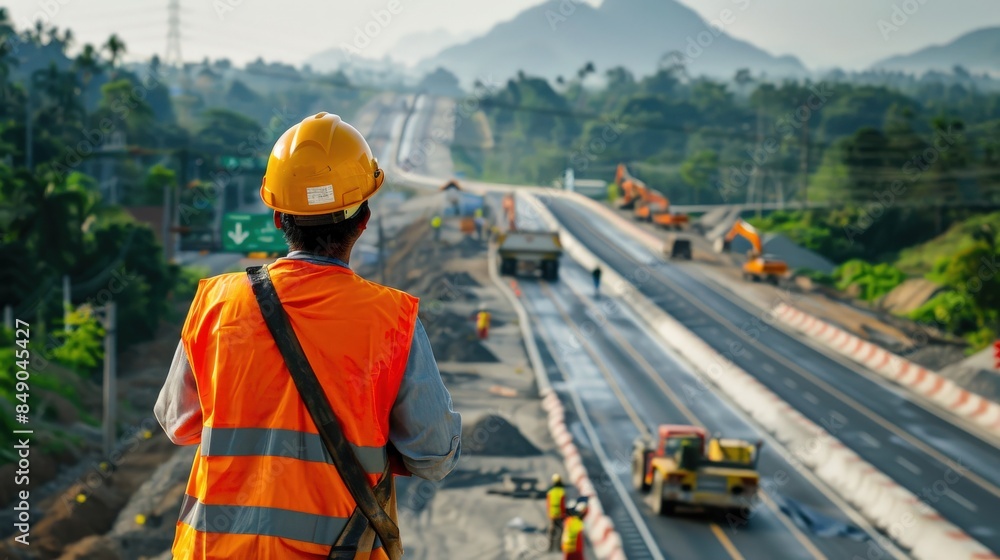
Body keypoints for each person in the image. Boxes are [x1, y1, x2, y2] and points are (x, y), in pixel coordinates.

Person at [154, 112, 461, 560]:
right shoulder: (392, 320)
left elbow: (178, 423)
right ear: (364, 219)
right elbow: (433, 457)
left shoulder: (215, 303)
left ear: (279, 217)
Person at [545, 473, 567, 552]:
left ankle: (550, 547)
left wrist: (549, 513)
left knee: (552, 531)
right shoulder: (562, 492)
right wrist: (564, 514)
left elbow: (548, 504)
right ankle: (558, 547)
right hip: (559, 515)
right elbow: (562, 505)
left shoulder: (550, 492)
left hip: (552, 514)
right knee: (560, 531)